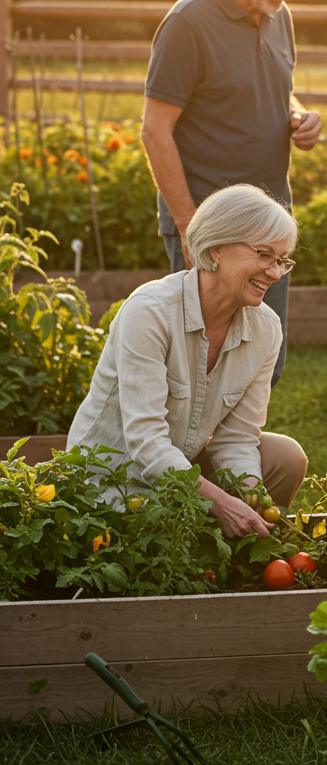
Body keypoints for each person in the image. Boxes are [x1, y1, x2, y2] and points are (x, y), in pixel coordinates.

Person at [141, 0, 322, 385]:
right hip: (212, 228)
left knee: (263, 362)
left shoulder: (278, 14)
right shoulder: (188, 24)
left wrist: (297, 116)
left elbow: (273, 88)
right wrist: (189, 226)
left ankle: (244, 438)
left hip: (270, 224)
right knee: (200, 364)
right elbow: (154, 130)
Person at [68, 185, 308, 540]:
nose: (274, 273)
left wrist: (252, 498)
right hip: (112, 481)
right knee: (150, 546)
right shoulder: (150, 312)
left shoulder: (266, 328)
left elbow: (238, 437)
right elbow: (146, 441)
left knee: (284, 456)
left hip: (180, 470)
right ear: (216, 249)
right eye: (264, 255)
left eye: (281, 261)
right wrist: (221, 504)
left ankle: (238, 546)